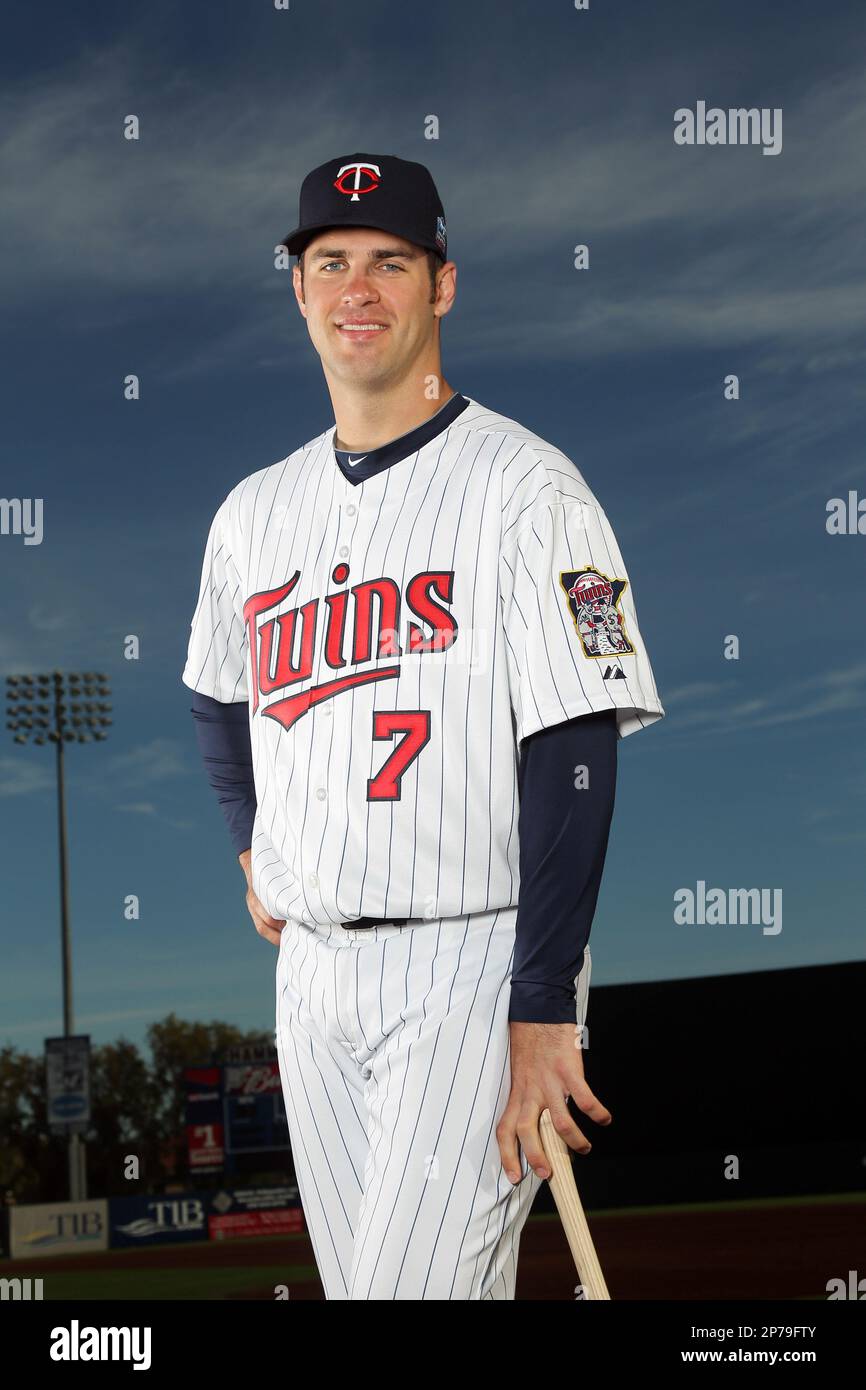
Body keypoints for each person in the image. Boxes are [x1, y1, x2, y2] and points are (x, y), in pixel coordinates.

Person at [182, 153, 665, 1299]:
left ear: (441, 286)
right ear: (297, 290)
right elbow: (215, 691)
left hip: (472, 960)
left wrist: (542, 1003)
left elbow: (574, 748)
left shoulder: (526, 486)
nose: (358, 288)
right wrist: (250, 837)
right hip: (311, 978)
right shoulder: (254, 512)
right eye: (330, 262)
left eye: (389, 262)